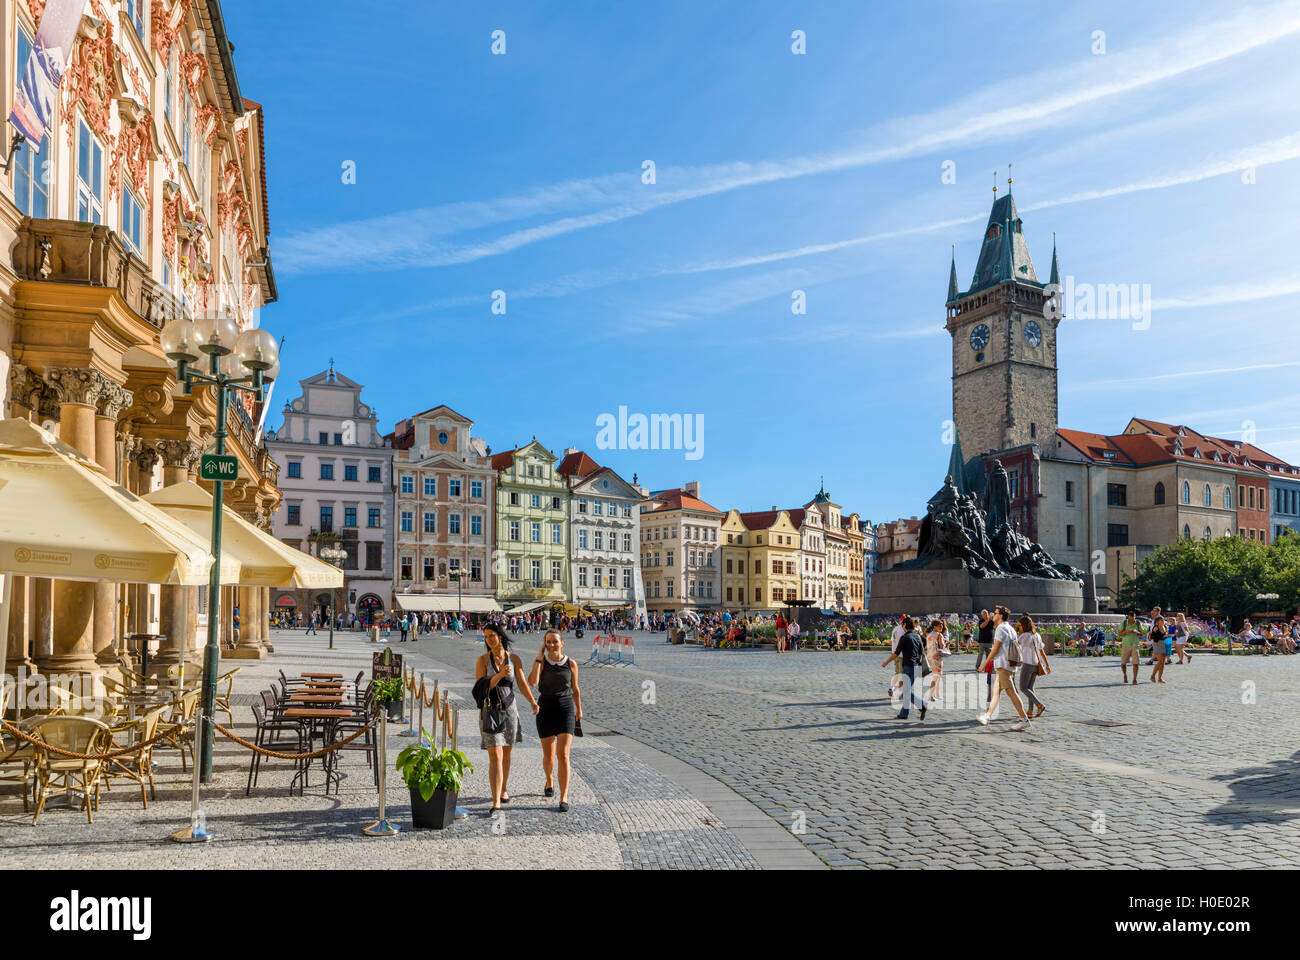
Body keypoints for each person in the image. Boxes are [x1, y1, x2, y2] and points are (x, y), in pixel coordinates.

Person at [474, 624, 540, 812]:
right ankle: (495, 802)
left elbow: (522, 683)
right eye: (486, 637)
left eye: (492, 635)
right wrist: (500, 674)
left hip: (510, 709)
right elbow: (481, 687)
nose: (489, 639)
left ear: (500, 636)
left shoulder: (514, 659)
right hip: (490, 711)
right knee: (496, 755)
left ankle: (503, 789)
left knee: (506, 754)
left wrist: (533, 702)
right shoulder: (482, 660)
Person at [527, 630, 582, 812]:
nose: (552, 645)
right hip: (546, 708)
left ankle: (564, 796)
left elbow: (575, 689)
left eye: (555, 641)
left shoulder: (571, 664)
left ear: (562, 643)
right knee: (549, 755)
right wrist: (538, 657)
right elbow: (532, 682)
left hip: (566, 708)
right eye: (548, 642)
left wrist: (579, 710)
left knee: (564, 755)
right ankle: (549, 780)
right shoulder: (542, 663)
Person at [976, 606, 1032, 730]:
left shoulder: (1000, 629)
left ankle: (1024, 719)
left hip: (1003, 665)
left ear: (1000, 616)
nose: (993, 615)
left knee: (1011, 692)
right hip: (1009, 665)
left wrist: (984, 665)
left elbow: (995, 649)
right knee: (996, 692)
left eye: (995, 613)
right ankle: (987, 716)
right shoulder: (1010, 628)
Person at [881, 616, 927, 720]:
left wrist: (886, 662)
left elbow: (896, 653)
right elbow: (921, 653)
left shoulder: (905, 637)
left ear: (905, 625)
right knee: (907, 690)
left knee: (906, 691)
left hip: (907, 666)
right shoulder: (918, 637)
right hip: (917, 666)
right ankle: (904, 714)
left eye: (902, 625)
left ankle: (922, 705)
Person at [1016, 615, 1049, 717]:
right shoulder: (1037, 635)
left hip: (1027, 663)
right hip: (1036, 664)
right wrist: (1047, 665)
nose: (1019, 627)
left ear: (1024, 626)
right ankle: (1030, 711)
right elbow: (1042, 651)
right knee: (1030, 687)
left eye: (1020, 625)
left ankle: (1039, 704)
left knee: (1023, 688)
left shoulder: (1024, 635)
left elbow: (1015, 646)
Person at [924, 620, 948, 702]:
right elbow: (942, 646)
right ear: (934, 627)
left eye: (941, 626)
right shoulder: (939, 635)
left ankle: (936, 694)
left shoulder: (929, 635)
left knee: (937, 675)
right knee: (937, 676)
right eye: (939, 626)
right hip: (937, 657)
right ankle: (931, 695)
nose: (941, 627)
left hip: (930, 657)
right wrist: (946, 644)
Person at [1117, 612, 1143, 684]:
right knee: (1123, 663)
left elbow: (1141, 634)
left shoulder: (1138, 623)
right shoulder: (1124, 623)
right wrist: (1126, 631)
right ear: (1128, 617)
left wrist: (1136, 632)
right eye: (1131, 619)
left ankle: (1135, 679)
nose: (1132, 621)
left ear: (1135, 617)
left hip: (1135, 644)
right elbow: (1119, 634)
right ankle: (1125, 675)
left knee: (1136, 663)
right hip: (1126, 644)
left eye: (1133, 619)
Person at [1148, 615, 1168, 683]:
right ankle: (1152, 676)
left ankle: (1160, 678)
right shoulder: (1156, 627)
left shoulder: (1165, 627)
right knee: (1160, 661)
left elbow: (1164, 635)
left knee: (1163, 663)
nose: (1163, 621)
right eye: (1161, 620)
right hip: (1157, 644)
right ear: (1157, 622)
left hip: (1163, 643)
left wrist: (1169, 636)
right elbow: (1153, 635)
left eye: (1163, 619)